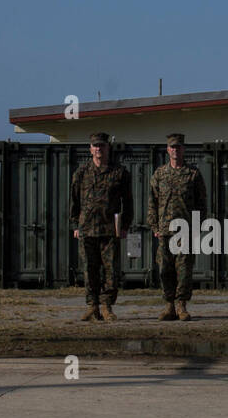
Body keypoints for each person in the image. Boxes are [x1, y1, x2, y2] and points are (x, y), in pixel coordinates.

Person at [70, 132, 133, 322]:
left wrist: (124, 226)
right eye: (95, 146)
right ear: (90, 149)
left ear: (108, 148)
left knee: (111, 270)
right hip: (87, 229)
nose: (99, 149)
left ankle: (106, 306)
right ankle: (92, 306)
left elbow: (128, 202)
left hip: (109, 230)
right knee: (89, 270)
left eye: (102, 146)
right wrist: (75, 224)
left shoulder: (119, 172)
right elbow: (74, 201)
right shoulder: (81, 173)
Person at [148, 133, 208, 321]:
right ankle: (169, 305)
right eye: (172, 147)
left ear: (184, 149)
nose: (175, 150)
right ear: (168, 150)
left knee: (184, 270)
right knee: (164, 269)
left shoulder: (193, 174)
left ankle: (181, 305)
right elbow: (152, 202)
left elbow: (202, 203)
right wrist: (154, 225)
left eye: (179, 147)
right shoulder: (160, 174)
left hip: (185, 230)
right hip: (164, 230)